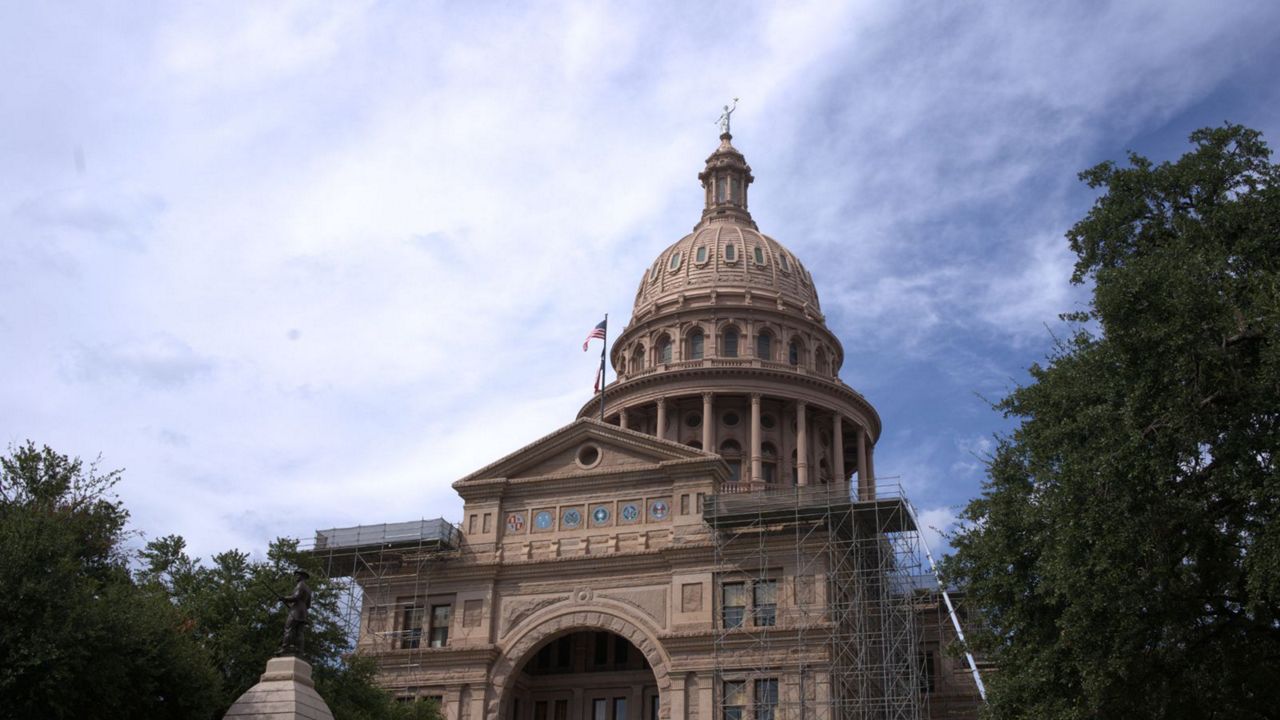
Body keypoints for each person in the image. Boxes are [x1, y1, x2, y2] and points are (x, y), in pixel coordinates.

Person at [277, 569, 312, 655]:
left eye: (298, 575)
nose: (296, 576)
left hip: (295, 611)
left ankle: (284, 648)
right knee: (300, 632)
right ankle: (300, 650)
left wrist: (285, 598)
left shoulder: (300, 585)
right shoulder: (308, 589)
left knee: (289, 629)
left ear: (302, 576)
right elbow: (308, 604)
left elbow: (296, 597)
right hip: (303, 612)